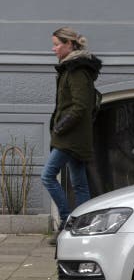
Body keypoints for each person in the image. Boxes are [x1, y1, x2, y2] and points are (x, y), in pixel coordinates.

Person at [42, 27, 103, 245]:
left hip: (70, 137)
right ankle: (84, 226)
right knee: (80, 184)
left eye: (57, 44)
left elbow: (80, 106)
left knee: (47, 176)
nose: (53, 48)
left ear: (69, 45)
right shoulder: (70, 68)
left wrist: (60, 127)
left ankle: (67, 221)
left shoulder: (76, 71)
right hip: (73, 136)